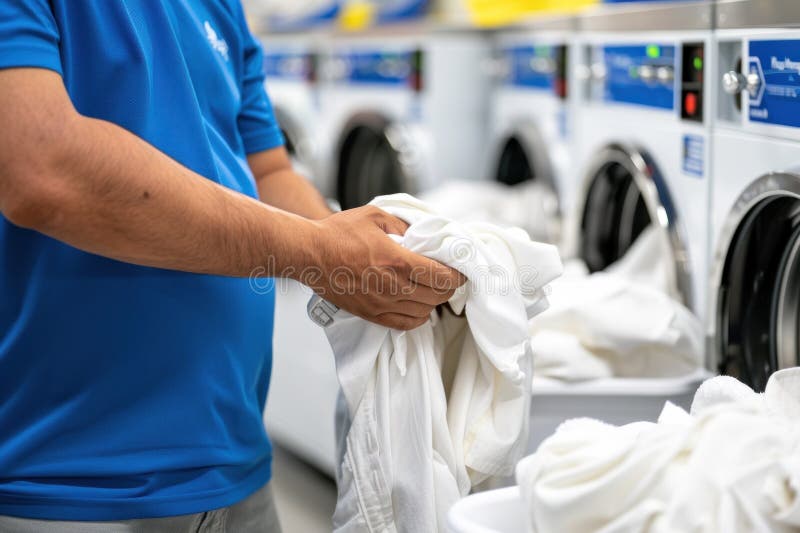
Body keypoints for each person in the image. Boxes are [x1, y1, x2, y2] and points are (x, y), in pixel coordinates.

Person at [0, 1, 464, 531]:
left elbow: (267, 170)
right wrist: (320, 253)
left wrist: (371, 263)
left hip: (235, 458)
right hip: (65, 483)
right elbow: (42, 168)